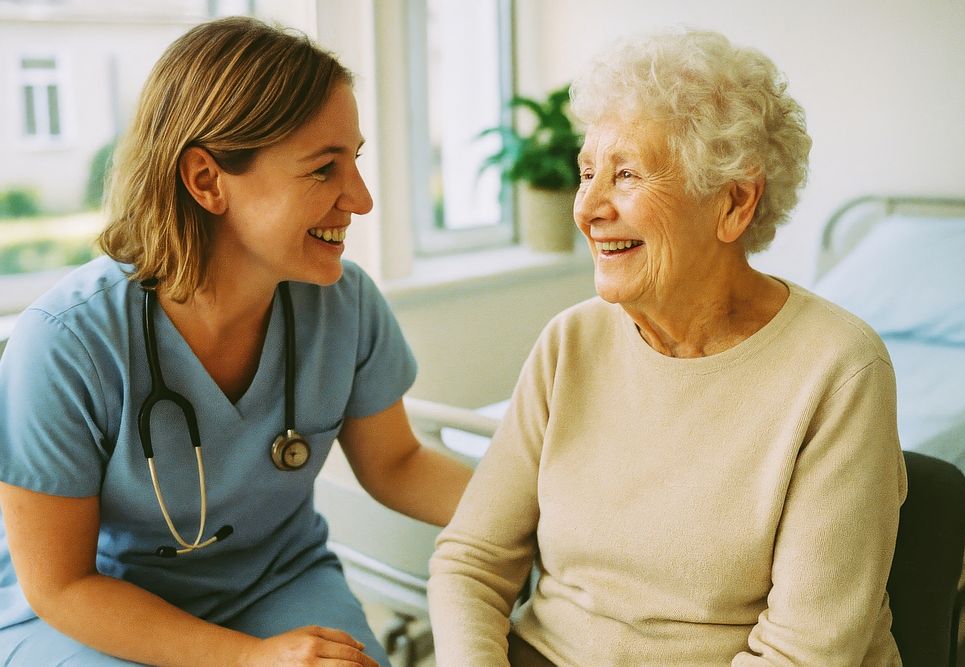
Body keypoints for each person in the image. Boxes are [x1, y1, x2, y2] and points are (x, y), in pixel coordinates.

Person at [0, 16, 472, 667]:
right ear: (206, 180)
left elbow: (396, 463)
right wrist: (251, 658)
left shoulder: (343, 303)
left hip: (274, 583)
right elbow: (61, 583)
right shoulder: (66, 344)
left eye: (355, 160)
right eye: (323, 169)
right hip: (99, 608)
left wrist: (543, 511)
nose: (360, 199)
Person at [428, 27, 906, 666]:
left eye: (625, 175)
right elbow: (472, 563)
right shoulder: (571, 341)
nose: (588, 208)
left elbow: (803, 654)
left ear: (734, 202)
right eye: (587, 173)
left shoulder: (839, 369)